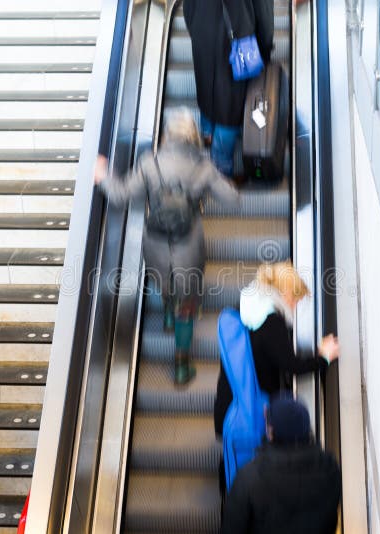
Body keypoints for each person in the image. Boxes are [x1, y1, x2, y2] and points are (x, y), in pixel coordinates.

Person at [94, 109, 240, 385]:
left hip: (156, 243)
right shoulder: (204, 167)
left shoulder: (150, 163)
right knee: (188, 304)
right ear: (194, 136)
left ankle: (170, 312)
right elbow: (233, 200)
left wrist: (103, 176)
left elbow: (121, 195)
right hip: (189, 245)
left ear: (167, 135)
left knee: (165, 283)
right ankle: (182, 364)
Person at [214, 261, 339, 436]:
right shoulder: (271, 321)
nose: (295, 307)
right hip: (251, 412)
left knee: (234, 459)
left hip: (232, 404)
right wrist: (324, 357)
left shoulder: (248, 308)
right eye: (296, 300)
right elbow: (292, 366)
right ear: (286, 294)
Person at [221, 395, 341, 534]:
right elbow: (331, 519)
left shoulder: (249, 477)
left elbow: (232, 528)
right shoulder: (331, 469)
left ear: (271, 432)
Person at [183, 0, 274, 177]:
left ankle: (206, 133)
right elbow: (264, 14)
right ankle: (220, 171)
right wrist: (264, 49)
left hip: (203, 37)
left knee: (206, 88)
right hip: (238, 43)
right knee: (229, 108)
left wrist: (197, 30)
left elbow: (188, 8)